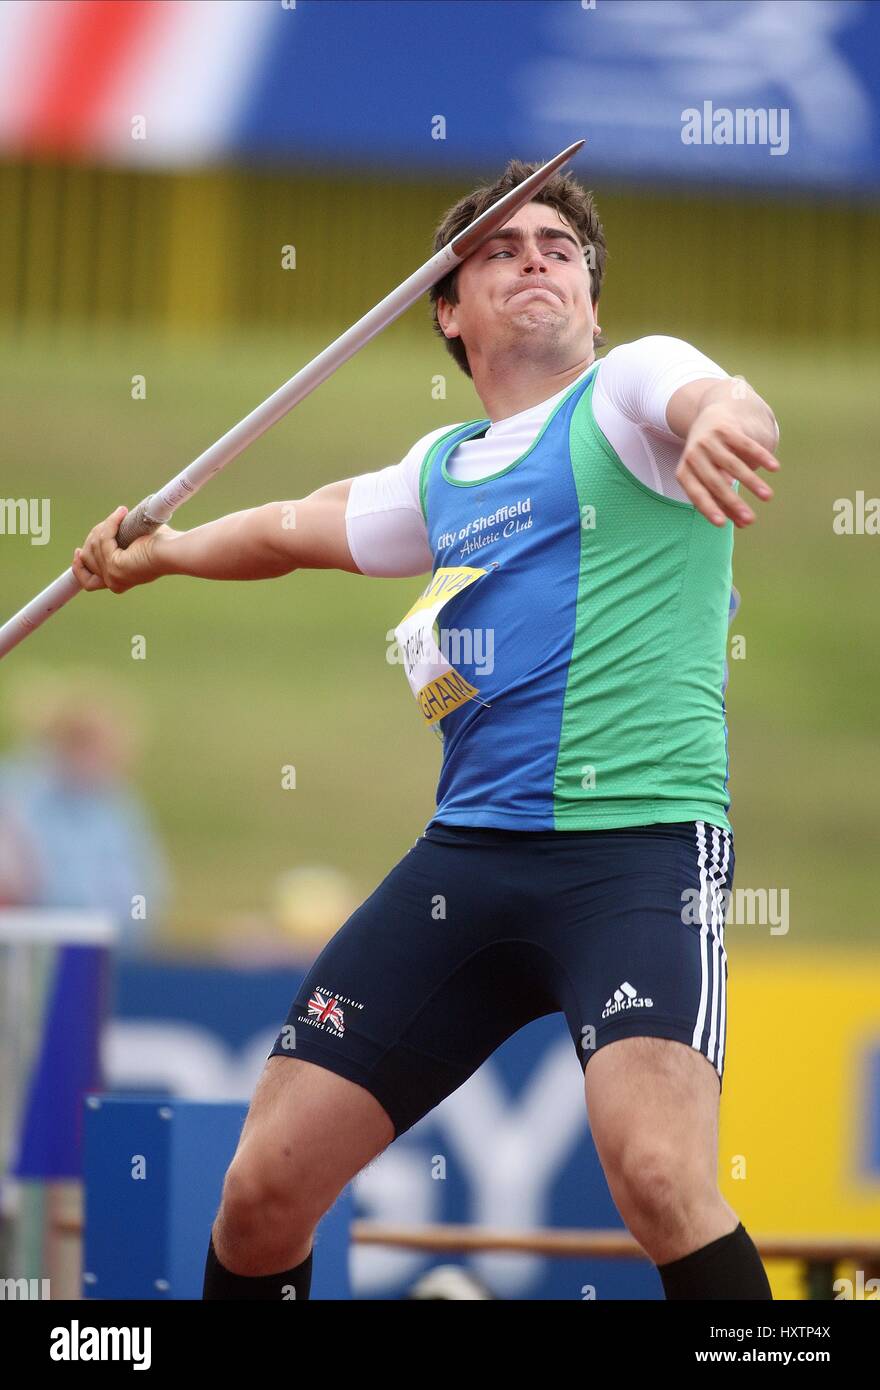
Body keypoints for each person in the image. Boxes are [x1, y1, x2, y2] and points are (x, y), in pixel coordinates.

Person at [73, 159, 780, 1302]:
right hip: (468, 858)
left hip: (639, 851)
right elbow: (290, 527)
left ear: (593, 302)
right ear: (447, 311)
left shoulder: (633, 389)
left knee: (655, 1173)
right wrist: (152, 554)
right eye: (498, 249)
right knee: (259, 1198)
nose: (536, 256)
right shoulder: (440, 473)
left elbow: (718, 397)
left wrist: (721, 425)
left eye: (558, 245)